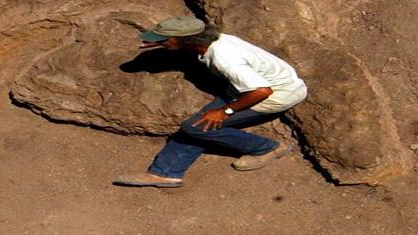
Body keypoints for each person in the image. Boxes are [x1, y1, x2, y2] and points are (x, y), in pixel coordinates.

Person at [113, 16, 308, 188]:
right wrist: (165, 44)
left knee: (196, 127)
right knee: (198, 125)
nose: (160, 42)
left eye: (164, 39)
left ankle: (268, 148)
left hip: (274, 95)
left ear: (186, 39)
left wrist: (225, 112)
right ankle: (165, 174)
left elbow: (262, 91)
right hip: (246, 89)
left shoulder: (225, 58)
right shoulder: (215, 40)